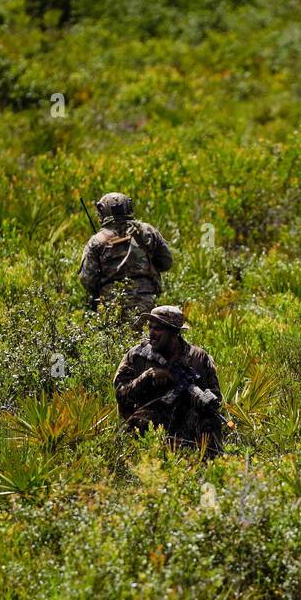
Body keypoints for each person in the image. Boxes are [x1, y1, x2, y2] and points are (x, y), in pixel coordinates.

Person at [113, 305, 225, 456]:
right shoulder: (137, 355)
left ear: (174, 332)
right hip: (147, 429)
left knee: (210, 418)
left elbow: (216, 395)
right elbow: (121, 395)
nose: (151, 333)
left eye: (158, 329)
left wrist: (203, 397)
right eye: (150, 327)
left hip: (187, 427)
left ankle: (212, 462)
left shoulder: (198, 357)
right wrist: (146, 378)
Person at [79, 192, 172, 332]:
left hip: (112, 305)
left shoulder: (97, 241)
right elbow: (166, 262)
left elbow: (87, 280)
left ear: (103, 211)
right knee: (146, 345)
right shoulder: (148, 231)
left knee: (116, 346)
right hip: (146, 302)